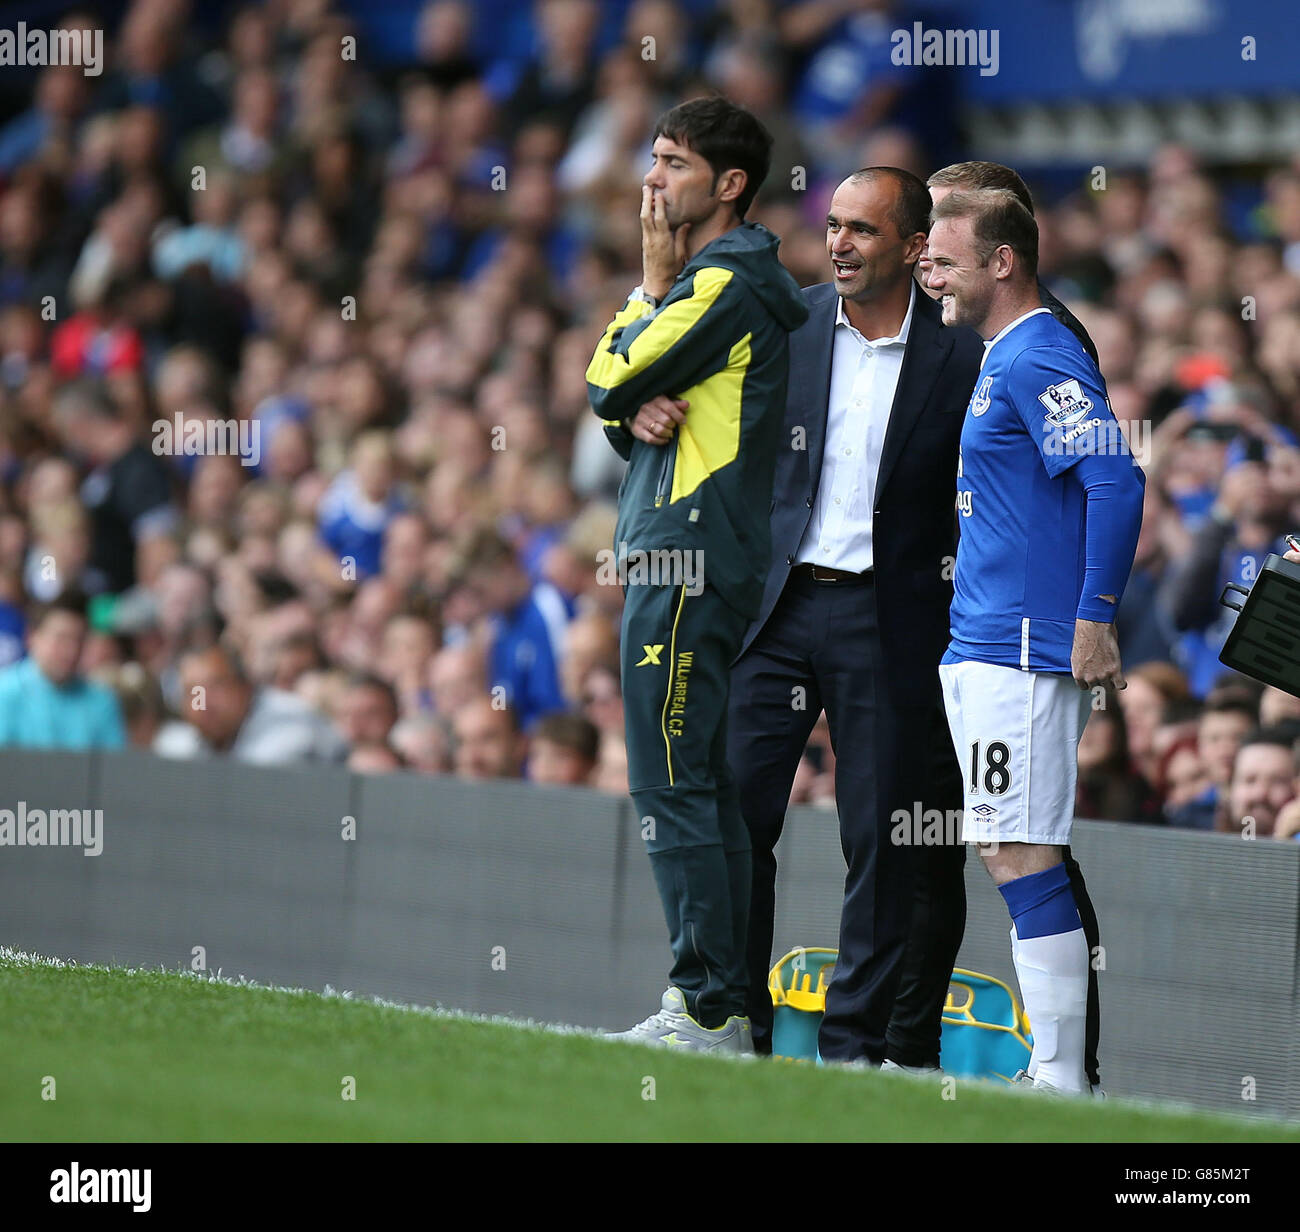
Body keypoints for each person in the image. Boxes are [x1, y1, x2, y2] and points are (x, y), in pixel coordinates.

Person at [724, 167, 983, 1066]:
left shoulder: (964, 356)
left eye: (861, 231)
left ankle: (851, 1050)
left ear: (915, 248)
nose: (837, 243)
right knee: (733, 817)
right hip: (780, 609)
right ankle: (730, 1024)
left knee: (878, 842)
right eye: (832, 225)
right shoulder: (788, 324)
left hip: (889, 620)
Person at [585, 96, 808, 1051]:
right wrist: (628, 402)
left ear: (729, 185)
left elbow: (605, 374)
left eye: (673, 162)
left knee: (672, 780)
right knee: (699, 781)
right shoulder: (706, 283)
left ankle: (708, 1005)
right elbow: (613, 404)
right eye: (652, 157)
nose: (652, 179)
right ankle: (720, 1002)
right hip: (676, 551)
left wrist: (642, 309)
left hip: (688, 554)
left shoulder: (733, 279)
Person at [926, 187, 1145, 1094]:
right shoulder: (1001, 355)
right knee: (1007, 846)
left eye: (944, 255)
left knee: (1021, 848)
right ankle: (1055, 1074)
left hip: (1022, 647)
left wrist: (1095, 615)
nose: (928, 270)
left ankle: (1060, 1079)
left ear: (1002, 260)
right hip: (983, 642)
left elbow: (1116, 478)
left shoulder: (1040, 354)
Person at [0, 592, 126, 749]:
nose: (70, 651)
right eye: (61, 638)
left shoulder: (102, 701)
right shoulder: (4, 694)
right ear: (32, 636)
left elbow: (112, 768)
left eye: (78, 640)